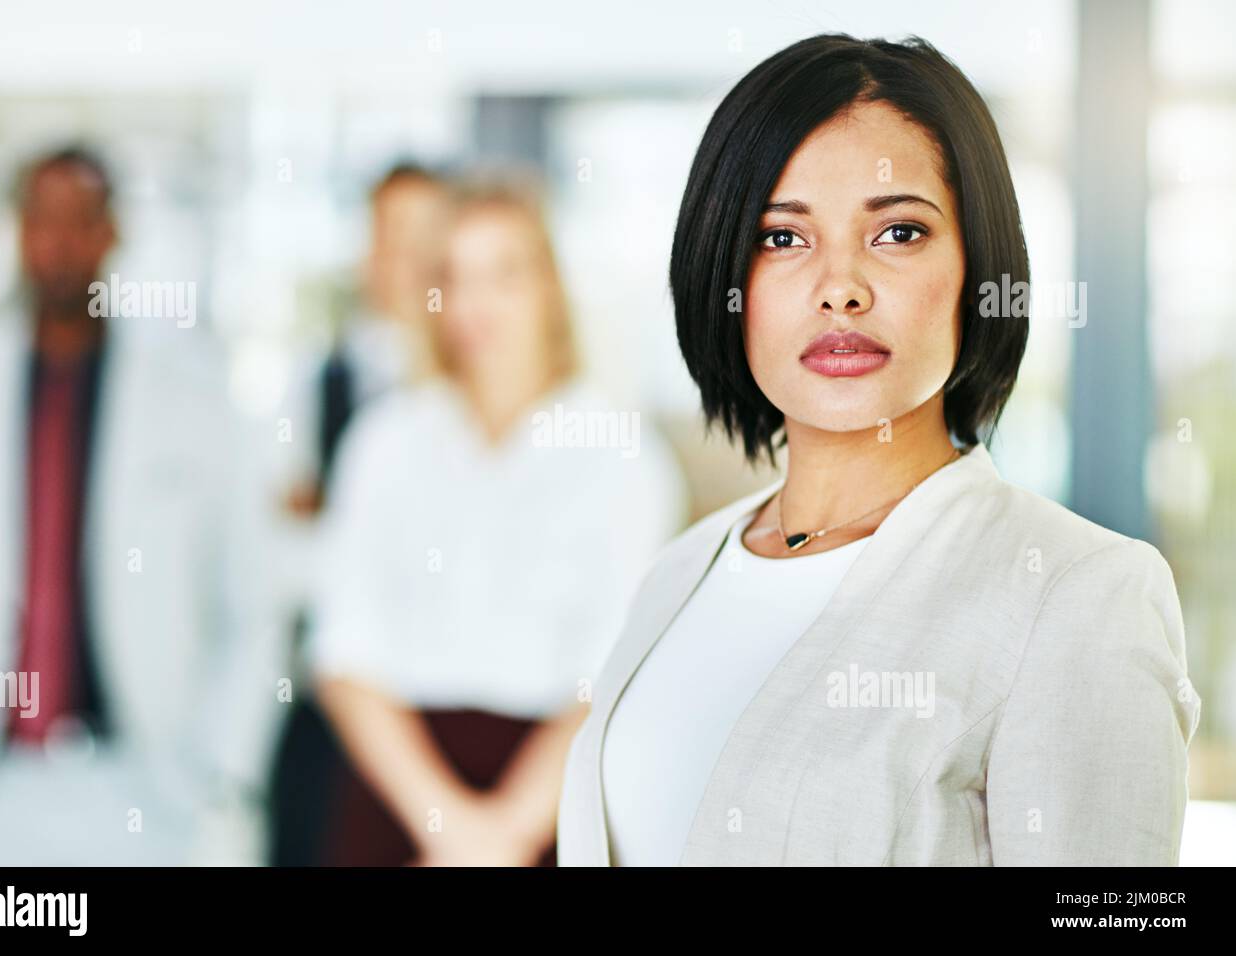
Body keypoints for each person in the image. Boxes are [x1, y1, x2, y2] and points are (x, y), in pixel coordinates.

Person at [557, 34, 1203, 866]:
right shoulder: (679, 572)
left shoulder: (1080, 597)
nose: (840, 286)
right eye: (782, 239)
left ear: (978, 267)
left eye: (898, 232)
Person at [309, 178, 686, 866]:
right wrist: (445, 826)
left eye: (504, 273)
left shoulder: (623, 457)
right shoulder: (384, 441)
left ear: (549, 286)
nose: (477, 303)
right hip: (399, 798)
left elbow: (612, 674)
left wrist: (502, 839)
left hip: (549, 805)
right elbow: (346, 652)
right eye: (455, 276)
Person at [0, 146, 284, 865]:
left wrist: (223, 768)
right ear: (18, 230)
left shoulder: (194, 396)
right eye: (43, 218)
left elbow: (255, 603)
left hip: (148, 783)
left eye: (82, 219)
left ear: (114, 233)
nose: (61, 242)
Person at [267, 162, 451, 866]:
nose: (400, 259)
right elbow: (284, 549)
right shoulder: (320, 382)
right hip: (336, 715)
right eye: (385, 235)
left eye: (422, 236)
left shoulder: (485, 400)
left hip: (447, 711)